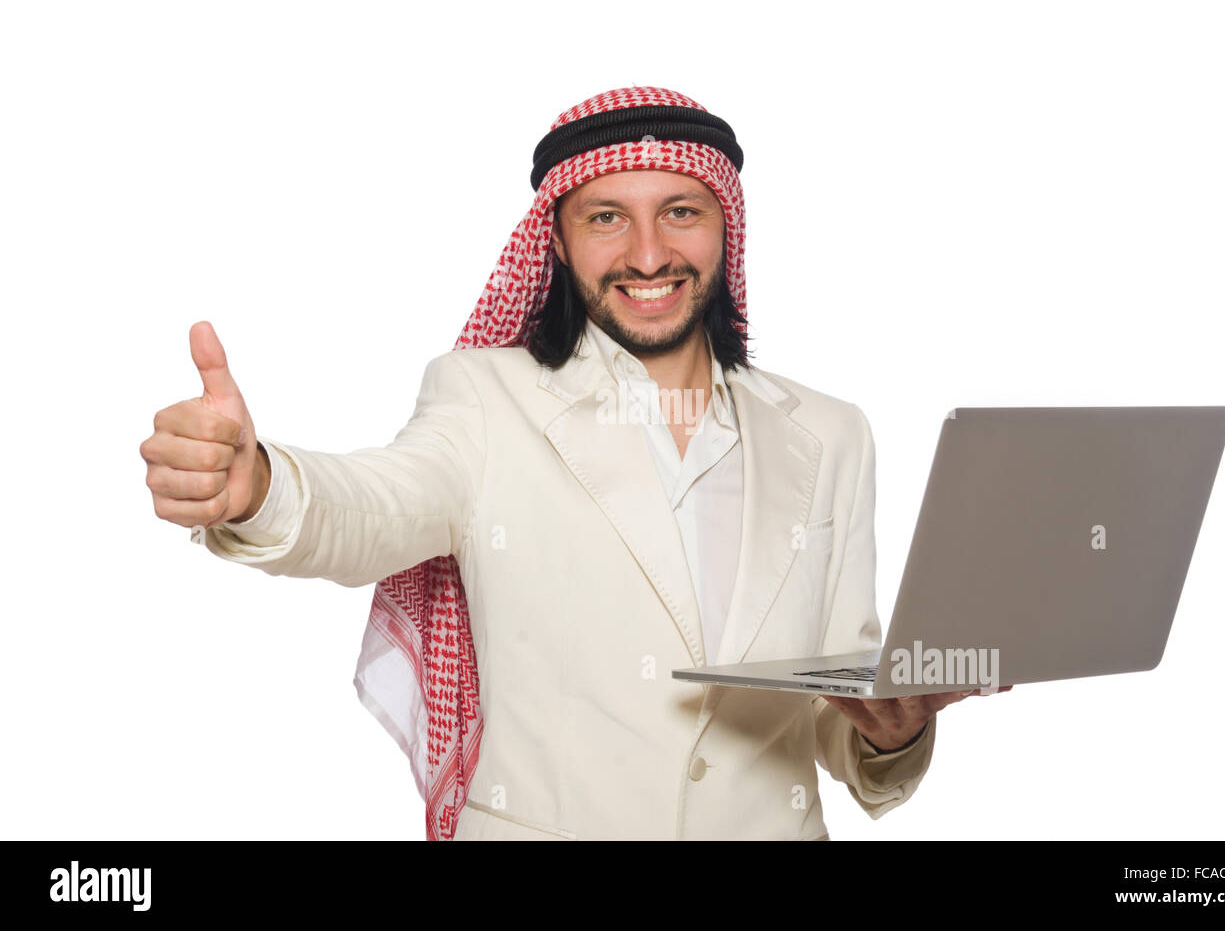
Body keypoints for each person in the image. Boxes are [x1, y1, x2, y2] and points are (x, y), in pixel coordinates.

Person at [140, 86, 997, 840]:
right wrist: (259, 488)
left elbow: (836, 706)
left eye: (681, 211)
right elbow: (374, 505)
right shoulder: (485, 398)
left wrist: (893, 731)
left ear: (725, 228)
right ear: (556, 238)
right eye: (606, 217)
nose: (649, 254)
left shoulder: (833, 434)